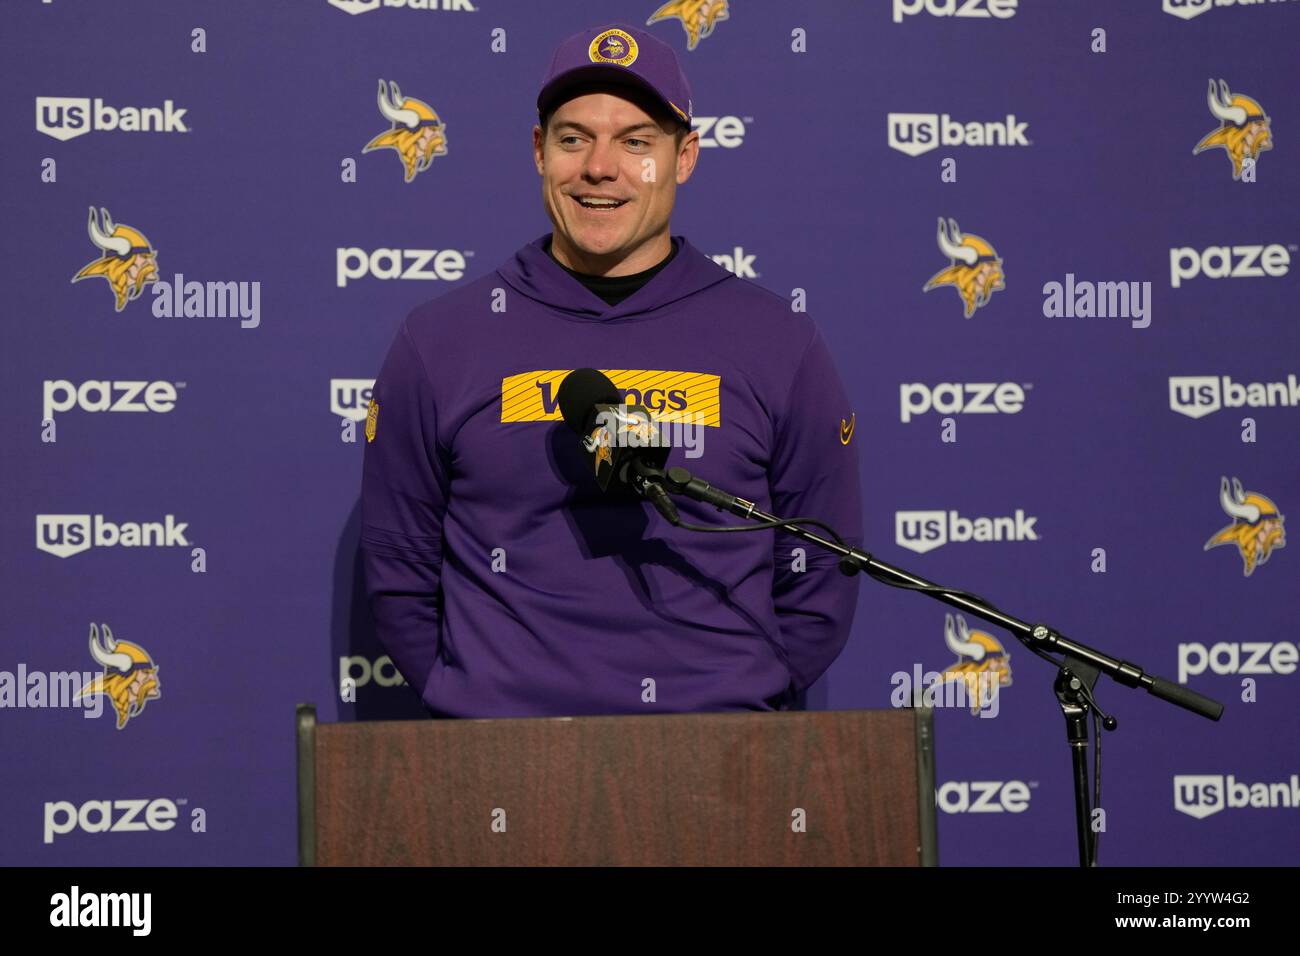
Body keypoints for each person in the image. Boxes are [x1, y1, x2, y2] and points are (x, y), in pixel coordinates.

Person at [361, 22, 862, 718]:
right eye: (573, 139)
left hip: (727, 766)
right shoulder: (440, 340)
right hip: (501, 773)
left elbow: (821, 564)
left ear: (684, 157)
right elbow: (398, 566)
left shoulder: (778, 341)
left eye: (636, 142)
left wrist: (748, 693)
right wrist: (468, 698)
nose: (600, 168)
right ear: (539, 151)